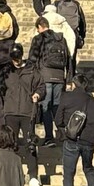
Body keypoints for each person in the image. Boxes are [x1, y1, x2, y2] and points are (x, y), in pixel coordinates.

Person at [54, 74, 94, 186]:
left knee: (69, 174)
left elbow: (58, 120)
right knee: (88, 168)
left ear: (74, 85)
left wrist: (67, 130)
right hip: (89, 141)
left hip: (72, 140)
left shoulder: (66, 97)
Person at [0, 43, 44, 186]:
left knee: (31, 144)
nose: (16, 61)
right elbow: (0, 88)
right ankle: (12, 174)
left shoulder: (32, 69)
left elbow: (41, 86)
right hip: (10, 111)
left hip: (27, 111)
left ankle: (33, 177)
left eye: (17, 58)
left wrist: (38, 94)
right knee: (11, 143)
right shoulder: (6, 70)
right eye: (13, 58)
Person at [27, 16, 69, 146]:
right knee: (57, 106)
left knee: (46, 106)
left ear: (39, 27)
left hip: (45, 76)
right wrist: (69, 78)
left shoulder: (39, 39)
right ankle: (63, 133)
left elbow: (32, 59)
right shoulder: (61, 38)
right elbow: (68, 58)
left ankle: (49, 137)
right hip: (60, 76)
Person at [55, 0, 87, 70]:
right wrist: (82, 35)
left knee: (59, 56)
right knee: (72, 56)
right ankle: (71, 78)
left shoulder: (56, 4)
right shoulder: (76, 4)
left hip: (60, 34)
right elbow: (82, 22)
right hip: (73, 32)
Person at [44, 0, 79, 77]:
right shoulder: (63, 22)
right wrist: (70, 53)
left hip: (46, 57)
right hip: (61, 54)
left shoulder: (42, 22)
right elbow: (71, 37)